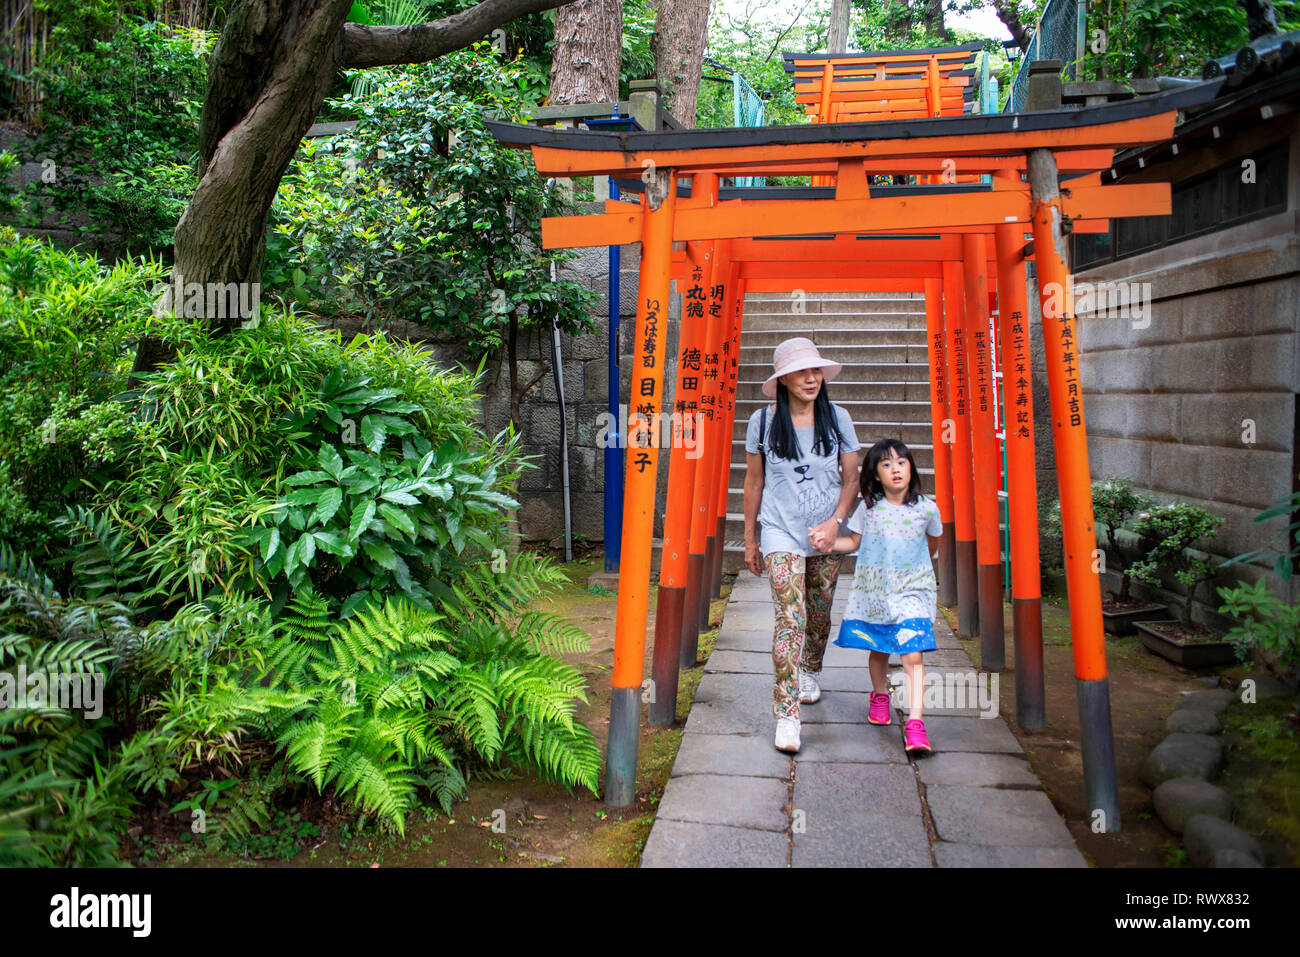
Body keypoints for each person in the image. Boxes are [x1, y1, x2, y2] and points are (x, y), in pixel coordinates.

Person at [743, 337, 861, 754]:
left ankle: (811, 669)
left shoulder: (838, 419)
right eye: (801, 372)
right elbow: (754, 481)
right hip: (780, 531)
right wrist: (751, 539)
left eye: (816, 371)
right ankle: (787, 713)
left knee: (820, 611)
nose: (811, 378)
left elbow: (852, 479)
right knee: (789, 619)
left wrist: (835, 524)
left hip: (827, 532)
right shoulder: (761, 422)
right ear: (783, 379)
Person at [824, 438, 942, 756]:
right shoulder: (868, 509)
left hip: (913, 591)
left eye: (901, 462)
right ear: (876, 475)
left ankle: (915, 723)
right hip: (876, 593)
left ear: (911, 467)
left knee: (913, 653)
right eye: (886, 464)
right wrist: (827, 543)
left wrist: (916, 570)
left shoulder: (927, 509)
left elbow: (932, 544)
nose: (895, 469)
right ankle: (880, 695)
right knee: (879, 650)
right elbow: (853, 542)